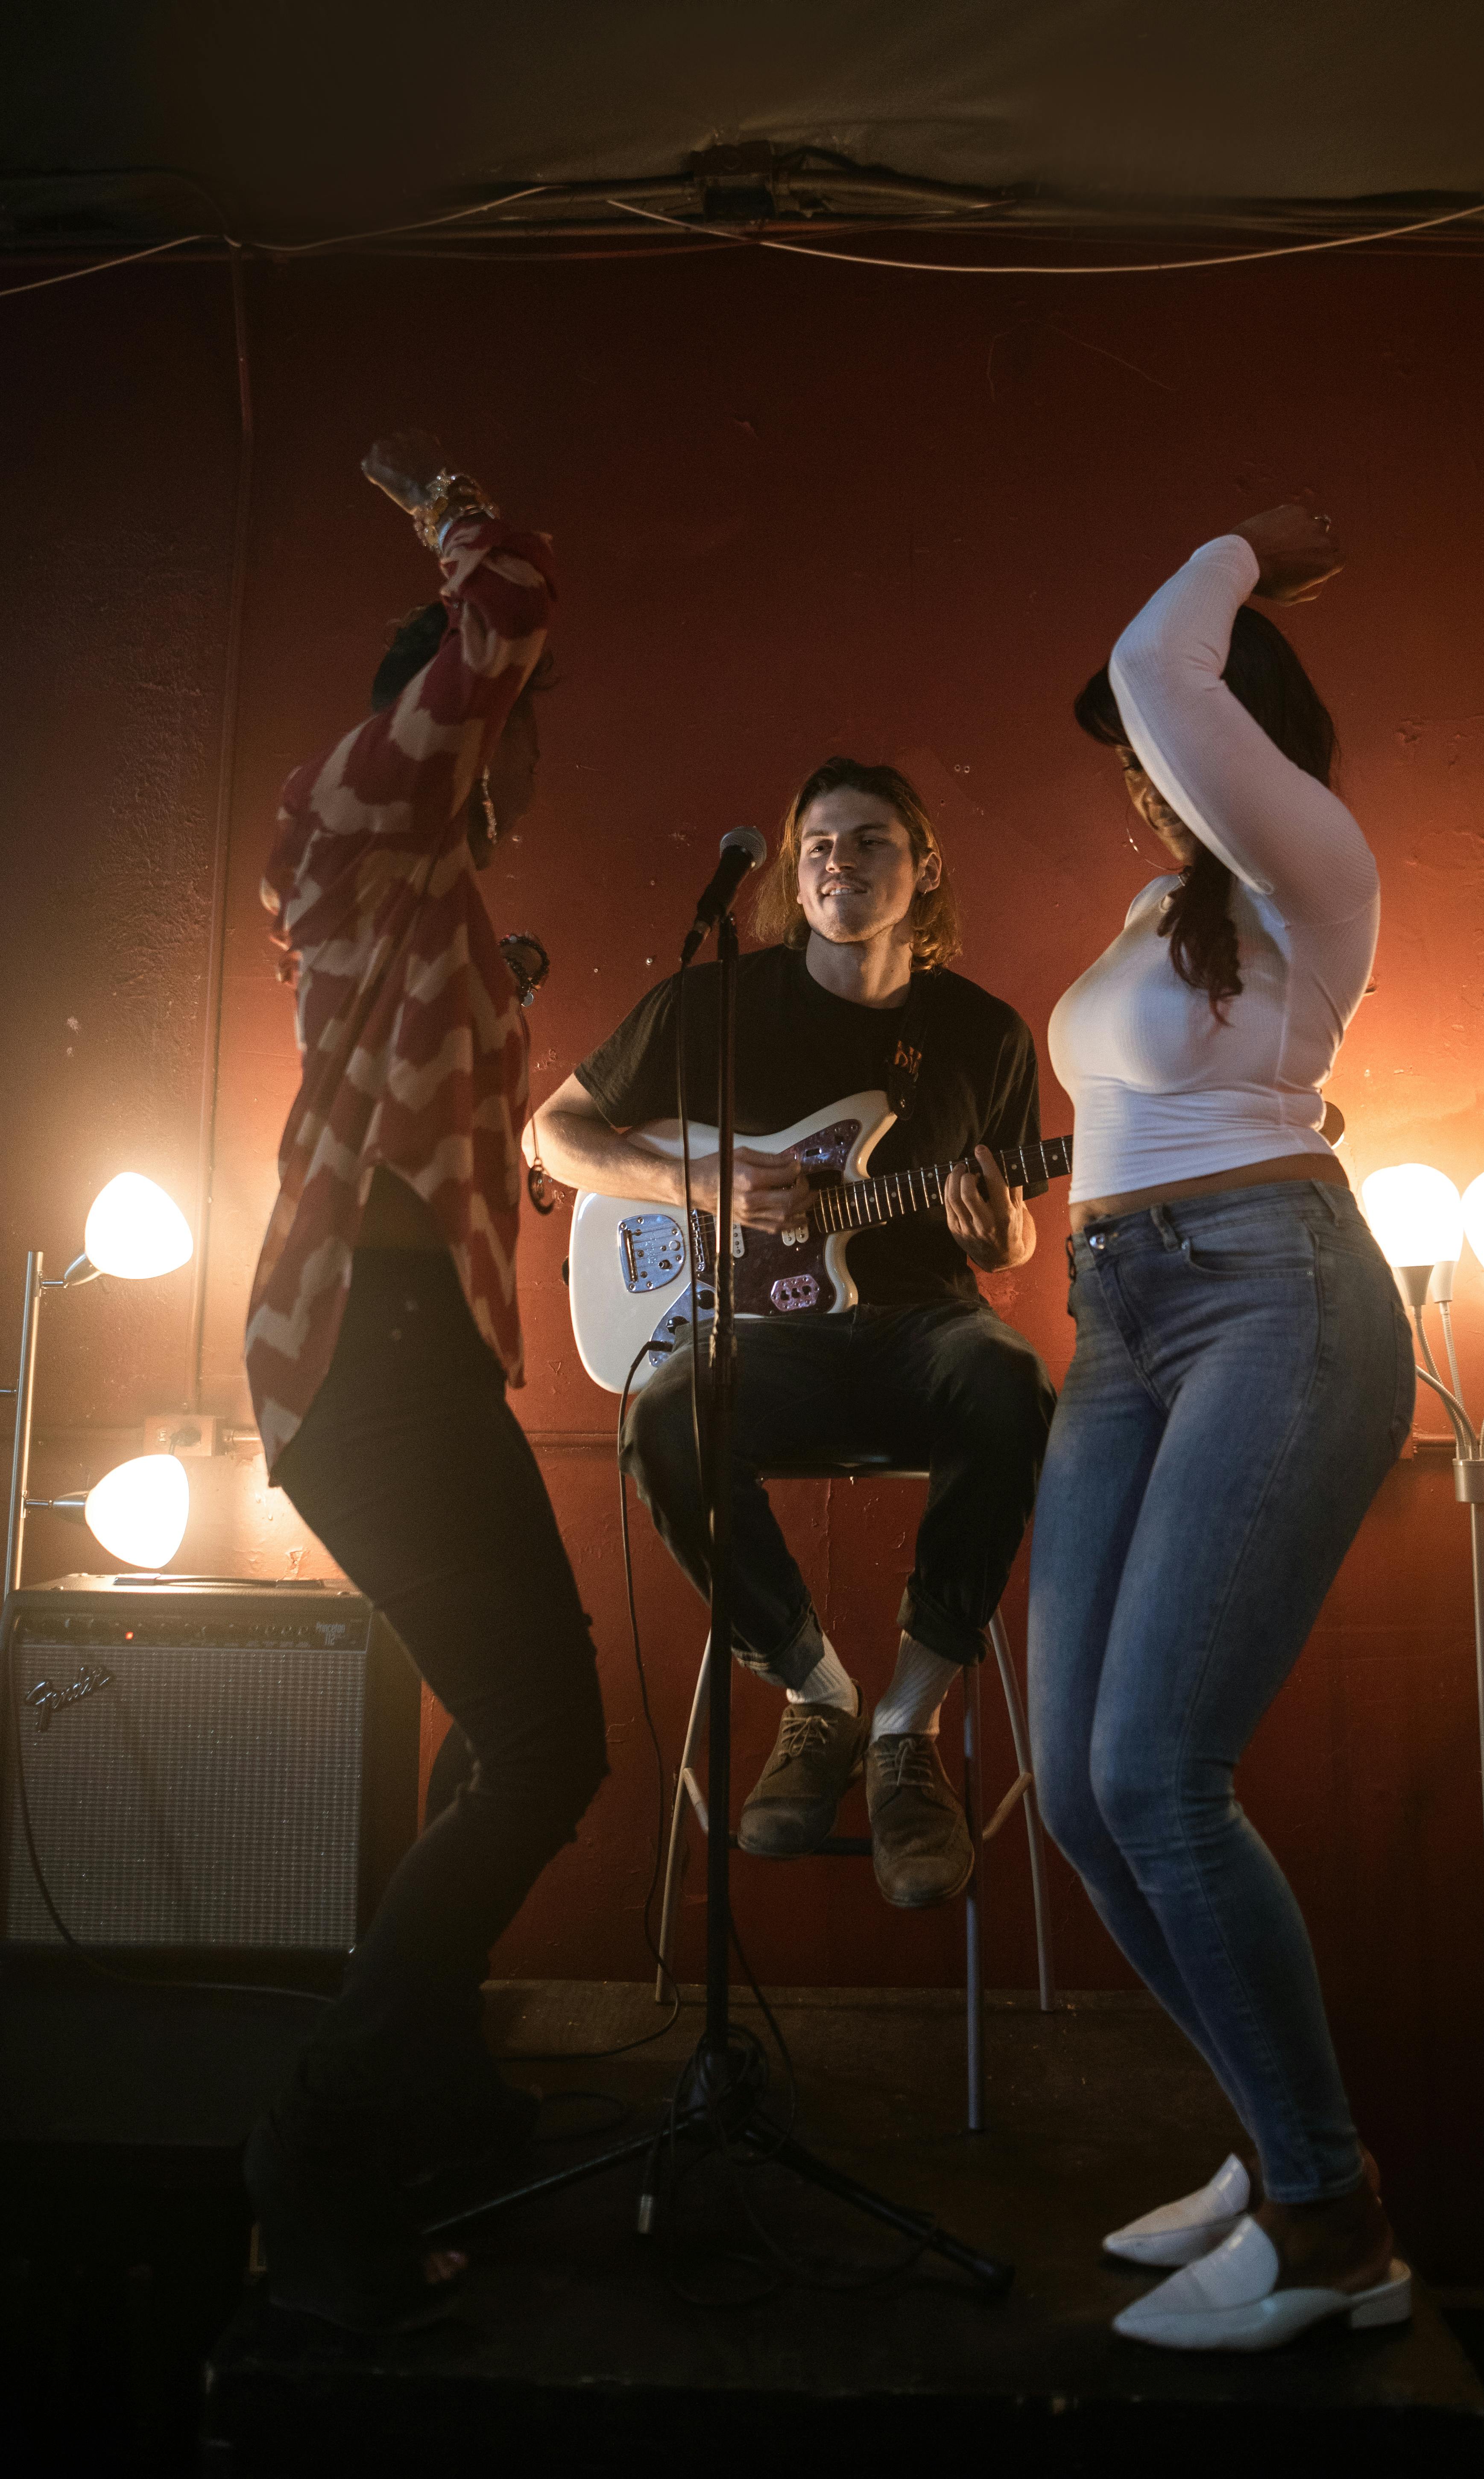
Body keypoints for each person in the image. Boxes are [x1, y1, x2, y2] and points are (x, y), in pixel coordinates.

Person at [1028, 505, 1416, 2351]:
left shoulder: (1311, 862)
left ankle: (1333, 2228)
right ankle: (1278, 2145)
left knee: (1159, 1772)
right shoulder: (1161, 913)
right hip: (1118, 1321)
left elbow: (1149, 658)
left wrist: (1241, 543)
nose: (1134, 779)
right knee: (1077, 1792)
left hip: (1275, 1296)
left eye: (1150, 751)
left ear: (1228, 723)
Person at [242, 430, 608, 2331]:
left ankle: (440, 2096)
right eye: (499, 719)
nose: (521, 748)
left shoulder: (426, 903)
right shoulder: (355, 830)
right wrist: (444, 501)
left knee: (503, 1728)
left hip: (411, 1363)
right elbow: (507, 602)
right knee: (551, 1743)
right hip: (364, 1363)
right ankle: (315, 2140)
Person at [533, 758, 1055, 1907]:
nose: (837, 862)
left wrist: (1004, 1235)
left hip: (923, 1326)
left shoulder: (985, 1034)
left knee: (1009, 1379)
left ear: (925, 869)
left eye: (870, 841)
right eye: (818, 844)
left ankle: (908, 1725)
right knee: (666, 1415)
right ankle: (820, 1696)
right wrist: (702, 1185)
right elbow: (552, 1136)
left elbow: (1007, 1237)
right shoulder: (714, 1004)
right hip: (763, 1335)